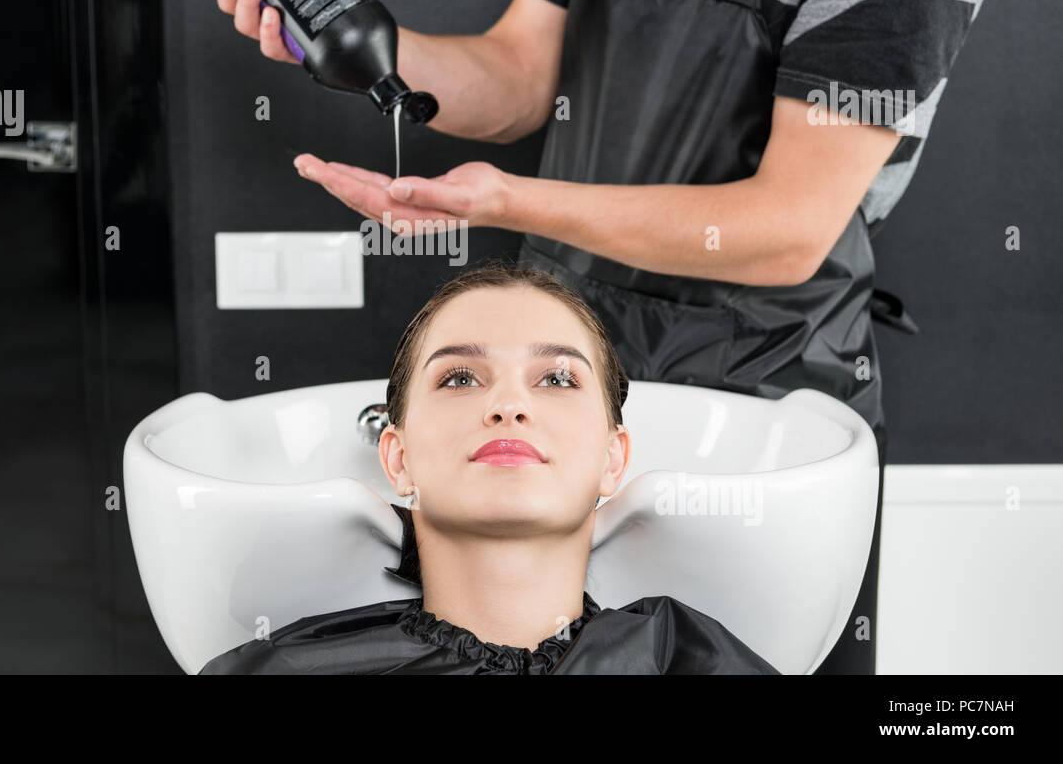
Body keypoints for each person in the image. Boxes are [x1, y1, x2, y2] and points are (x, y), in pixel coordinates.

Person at [202, 0, 992, 673]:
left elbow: (786, 227)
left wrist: (509, 201)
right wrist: (364, 46)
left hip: (755, 396)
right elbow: (520, 76)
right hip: (567, 376)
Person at [199, 263, 779, 674]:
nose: (508, 405)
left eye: (556, 379)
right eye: (459, 378)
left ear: (613, 458)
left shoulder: (684, 659)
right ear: (399, 459)